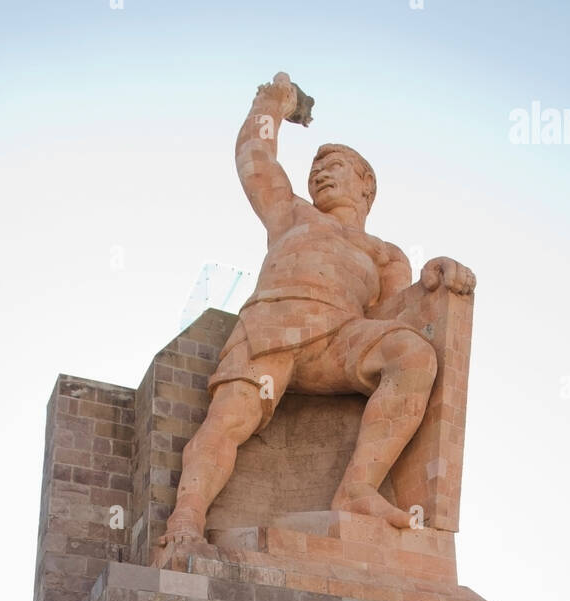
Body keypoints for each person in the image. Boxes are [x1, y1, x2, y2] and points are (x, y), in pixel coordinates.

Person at [158, 71, 473, 552]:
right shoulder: (291, 212)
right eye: (315, 168)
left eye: (336, 164)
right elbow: (254, 157)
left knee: (412, 355)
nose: (320, 173)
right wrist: (269, 105)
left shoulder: (385, 253)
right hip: (272, 326)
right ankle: (186, 519)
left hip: (340, 339)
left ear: (367, 185)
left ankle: (358, 488)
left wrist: (435, 277)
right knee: (228, 420)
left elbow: (391, 314)